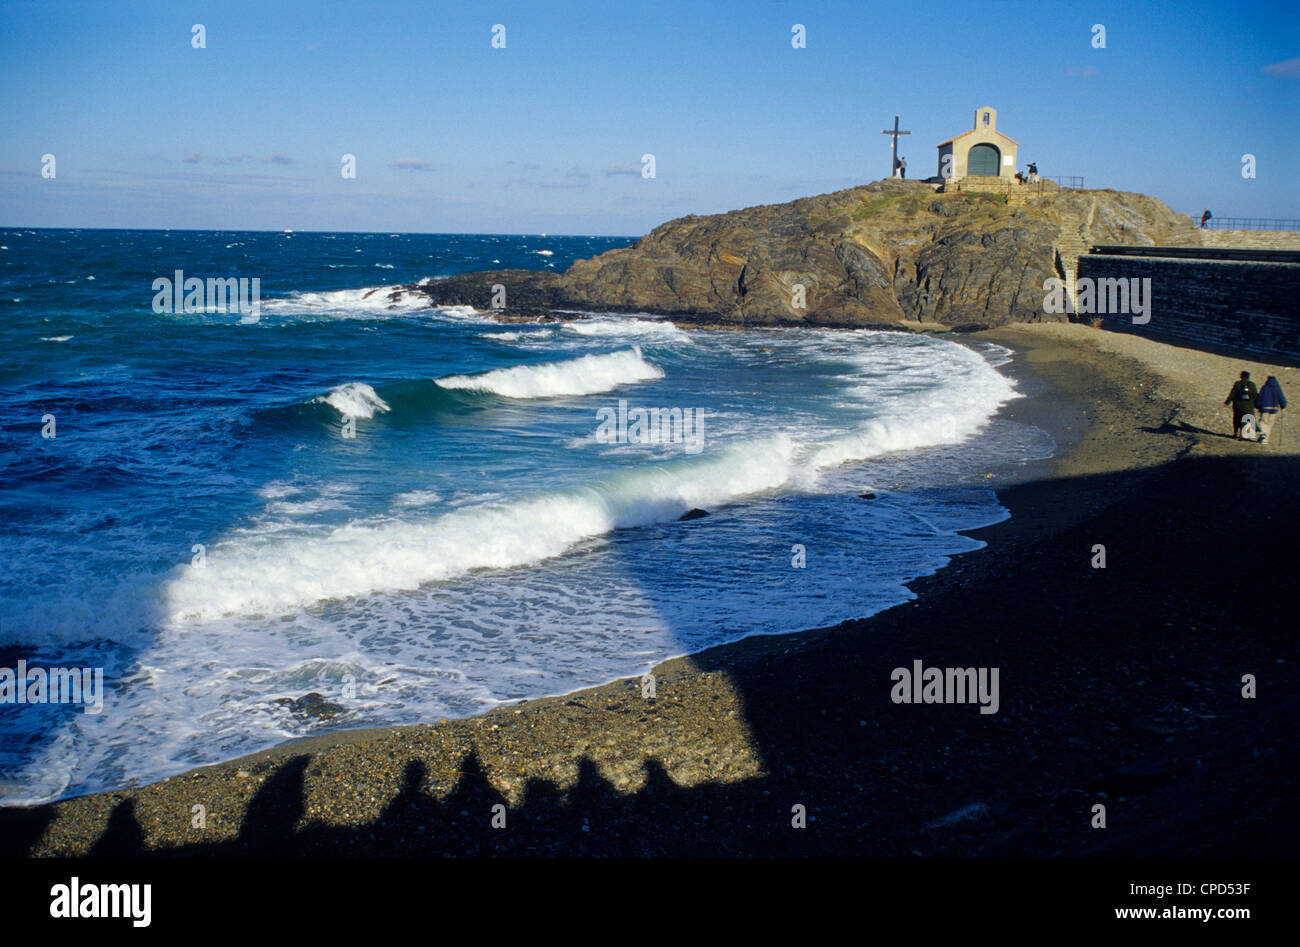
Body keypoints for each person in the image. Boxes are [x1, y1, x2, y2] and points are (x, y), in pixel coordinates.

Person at [1224, 370, 1259, 438]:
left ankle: (1235, 433)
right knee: (1246, 419)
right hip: (1248, 406)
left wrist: (1227, 402)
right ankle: (1242, 434)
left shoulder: (1237, 383)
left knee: (1237, 419)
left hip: (1237, 405)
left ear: (1241, 376)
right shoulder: (1252, 384)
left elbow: (1232, 394)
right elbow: (1255, 396)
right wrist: (1257, 405)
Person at [1256, 375, 1288, 444]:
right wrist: (1283, 406)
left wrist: (1258, 406)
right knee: (1270, 423)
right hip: (1274, 409)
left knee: (1263, 422)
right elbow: (1281, 398)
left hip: (1264, 408)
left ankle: (1263, 435)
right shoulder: (1278, 388)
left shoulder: (1264, 387)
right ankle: (1266, 439)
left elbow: (1259, 398)